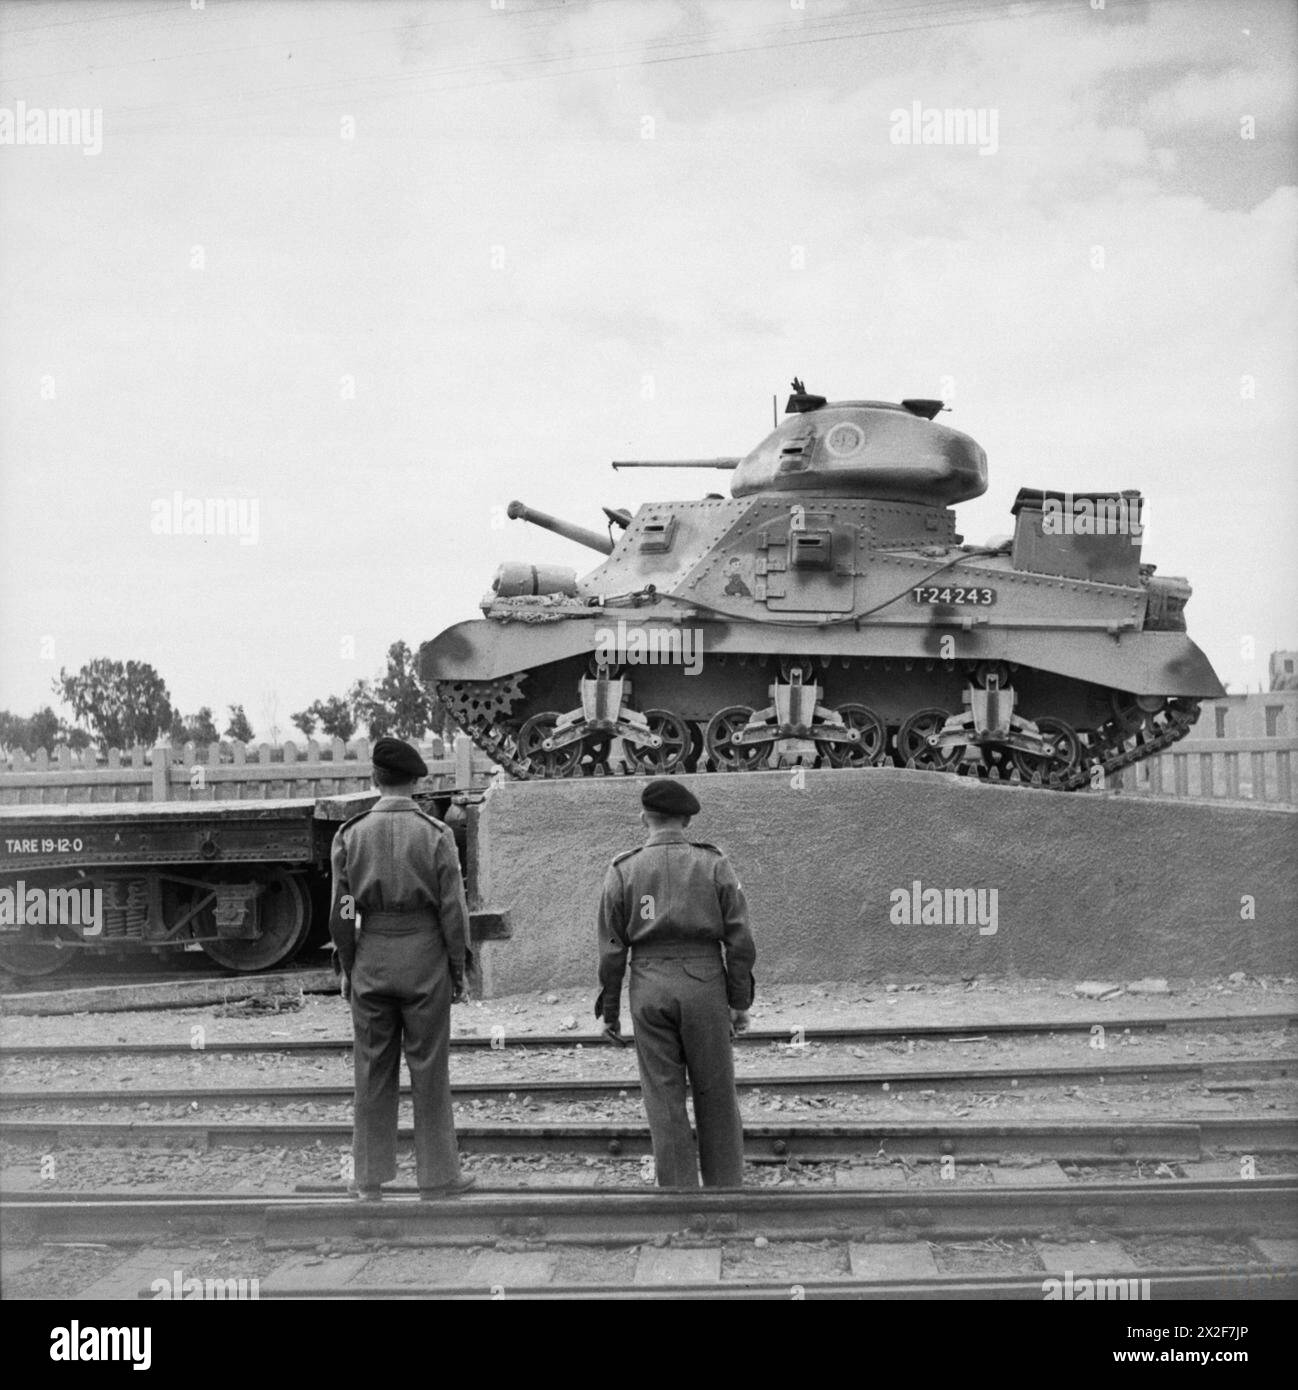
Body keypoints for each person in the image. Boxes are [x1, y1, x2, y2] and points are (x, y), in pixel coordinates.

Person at [329, 736, 474, 1200]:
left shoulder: (350, 835)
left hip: (371, 956)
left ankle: (368, 1180)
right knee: (430, 1069)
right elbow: (454, 911)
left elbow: (343, 910)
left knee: (371, 1070)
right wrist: (457, 969)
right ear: (416, 782)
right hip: (425, 958)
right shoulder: (436, 835)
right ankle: (437, 1178)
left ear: (374, 779)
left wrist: (350, 965)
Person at [595, 778, 756, 1188]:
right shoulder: (714, 864)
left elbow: (613, 949)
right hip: (704, 983)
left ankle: (678, 1195)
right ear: (687, 819)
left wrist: (610, 1013)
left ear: (644, 818)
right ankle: (725, 1189)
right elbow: (740, 939)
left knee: (663, 1098)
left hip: (647, 986)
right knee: (715, 1092)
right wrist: (739, 1002)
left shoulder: (622, 870)